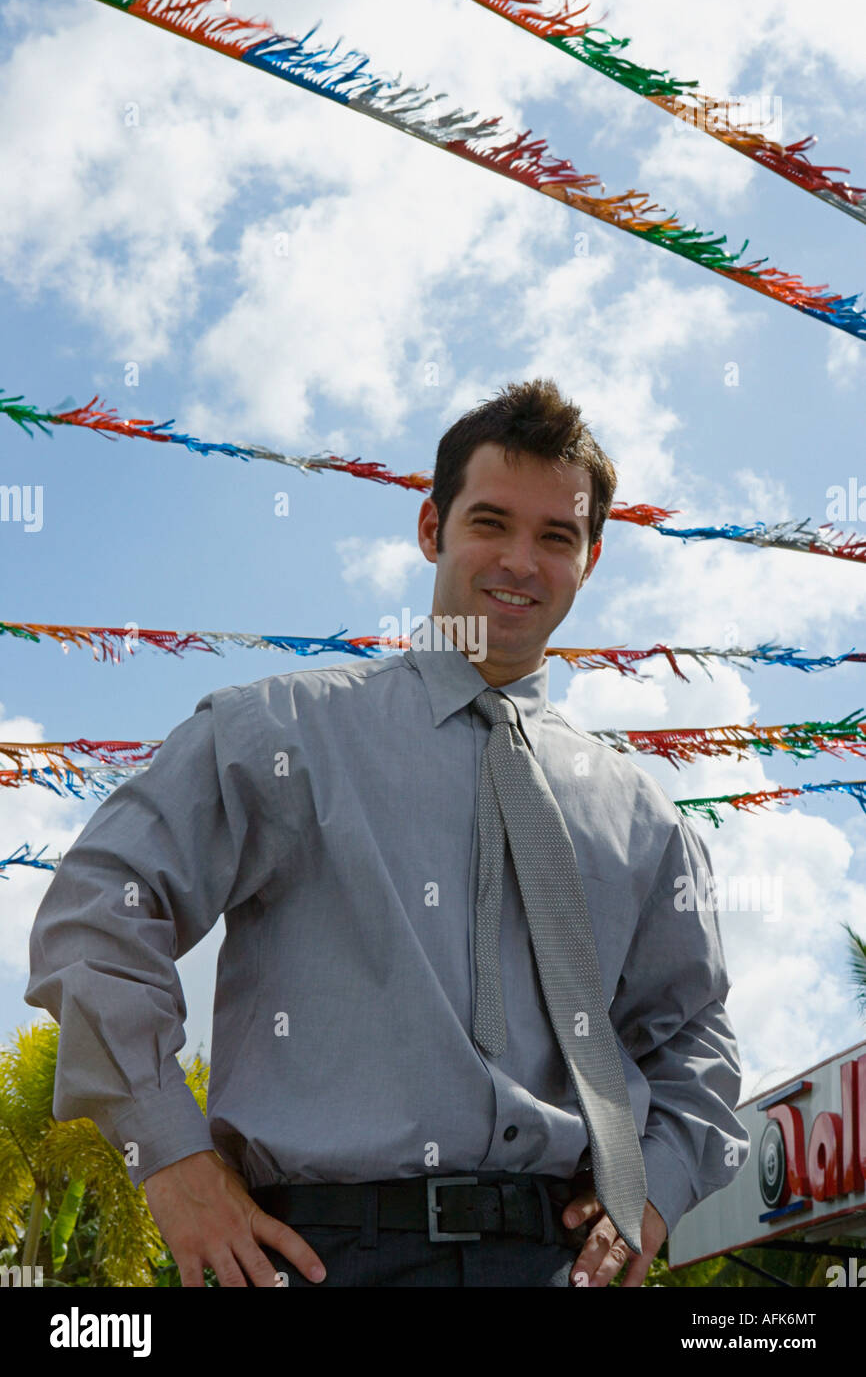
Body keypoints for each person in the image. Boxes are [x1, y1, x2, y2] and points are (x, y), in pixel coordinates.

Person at [25, 377, 749, 1288]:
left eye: (556, 536)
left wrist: (651, 1196)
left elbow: (693, 1042)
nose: (521, 561)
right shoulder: (279, 733)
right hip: (317, 1259)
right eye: (490, 522)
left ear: (590, 559)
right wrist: (169, 1157)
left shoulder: (647, 822)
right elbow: (95, 914)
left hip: (559, 1267)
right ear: (431, 529)